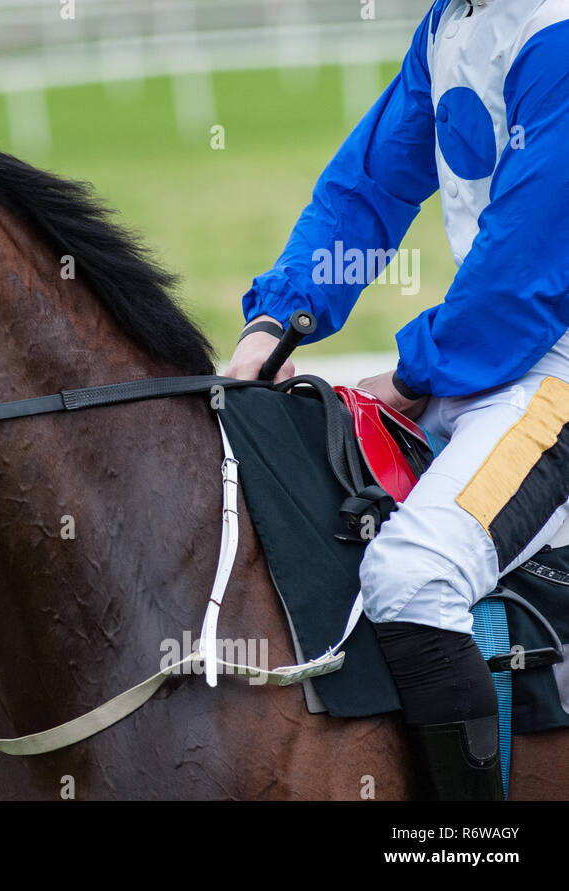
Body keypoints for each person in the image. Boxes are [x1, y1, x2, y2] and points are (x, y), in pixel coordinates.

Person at [223, 0, 569, 800]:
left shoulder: (554, 34)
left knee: (413, 576)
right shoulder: (451, 23)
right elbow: (367, 190)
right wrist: (275, 322)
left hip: (550, 373)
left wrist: (414, 376)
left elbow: (526, 270)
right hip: (486, 370)